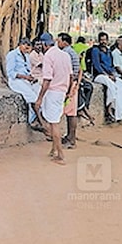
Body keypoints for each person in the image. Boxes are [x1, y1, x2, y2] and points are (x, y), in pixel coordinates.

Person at [33, 33, 73, 166]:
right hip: (62, 91)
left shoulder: (49, 56)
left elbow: (47, 79)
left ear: (44, 44)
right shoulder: (65, 55)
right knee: (54, 121)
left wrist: (39, 98)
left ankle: (60, 155)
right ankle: (53, 149)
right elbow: (71, 75)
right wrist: (68, 91)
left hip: (52, 92)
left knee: (53, 124)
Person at [89, 32, 122, 124]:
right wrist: (106, 75)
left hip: (110, 74)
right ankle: (109, 111)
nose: (103, 42)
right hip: (99, 75)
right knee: (111, 85)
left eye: (105, 40)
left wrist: (112, 74)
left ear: (107, 41)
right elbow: (97, 65)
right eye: (101, 40)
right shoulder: (95, 50)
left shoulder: (108, 51)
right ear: (99, 40)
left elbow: (111, 66)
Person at [5, 37, 41, 124]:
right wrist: (25, 77)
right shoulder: (12, 55)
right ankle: (38, 121)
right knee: (33, 97)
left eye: (28, 48)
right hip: (15, 81)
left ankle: (32, 119)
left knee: (39, 93)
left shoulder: (26, 56)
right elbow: (10, 73)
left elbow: (28, 70)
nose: (27, 50)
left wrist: (31, 78)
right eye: (26, 48)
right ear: (21, 45)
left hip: (25, 80)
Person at [57, 33, 81, 149]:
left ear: (65, 42)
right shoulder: (72, 52)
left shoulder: (66, 53)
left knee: (70, 113)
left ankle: (72, 140)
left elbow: (69, 73)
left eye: (59, 41)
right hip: (74, 84)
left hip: (70, 85)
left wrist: (69, 88)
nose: (58, 43)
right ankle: (69, 136)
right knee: (71, 112)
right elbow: (79, 70)